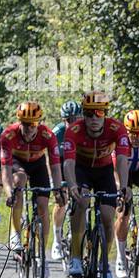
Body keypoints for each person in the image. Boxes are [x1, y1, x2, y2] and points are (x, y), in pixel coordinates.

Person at [62, 91, 130, 278]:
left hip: (104, 171)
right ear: (83, 115)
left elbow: (122, 160)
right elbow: (68, 163)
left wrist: (123, 187)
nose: (93, 118)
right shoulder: (73, 130)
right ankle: (75, 256)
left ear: (105, 113)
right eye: (89, 114)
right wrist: (72, 185)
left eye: (98, 113)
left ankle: (104, 262)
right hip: (81, 169)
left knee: (108, 218)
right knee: (81, 202)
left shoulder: (117, 128)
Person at [0, 102, 65, 267]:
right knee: (18, 181)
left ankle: (42, 252)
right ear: (19, 122)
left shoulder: (48, 135)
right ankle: (16, 233)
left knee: (43, 206)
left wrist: (57, 191)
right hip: (17, 163)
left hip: (38, 165)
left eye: (33, 124)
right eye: (25, 124)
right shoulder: (8, 135)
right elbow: (5, 171)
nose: (29, 128)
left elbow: (55, 167)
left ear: (39, 122)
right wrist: (9, 193)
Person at [115, 108, 139, 278]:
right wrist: (122, 187)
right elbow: (115, 170)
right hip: (123, 174)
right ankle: (121, 257)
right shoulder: (121, 142)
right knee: (123, 212)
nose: (136, 137)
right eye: (132, 133)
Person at [49, 100, 82, 261]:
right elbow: (51, 159)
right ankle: (56, 239)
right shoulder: (57, 132)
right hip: (60, 163)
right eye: (69, 120)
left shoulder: (85, 131)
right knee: (61, 200)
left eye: (76, 119)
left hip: (77, 164)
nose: (73, 123)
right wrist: (55, 183)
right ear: (64, 120)